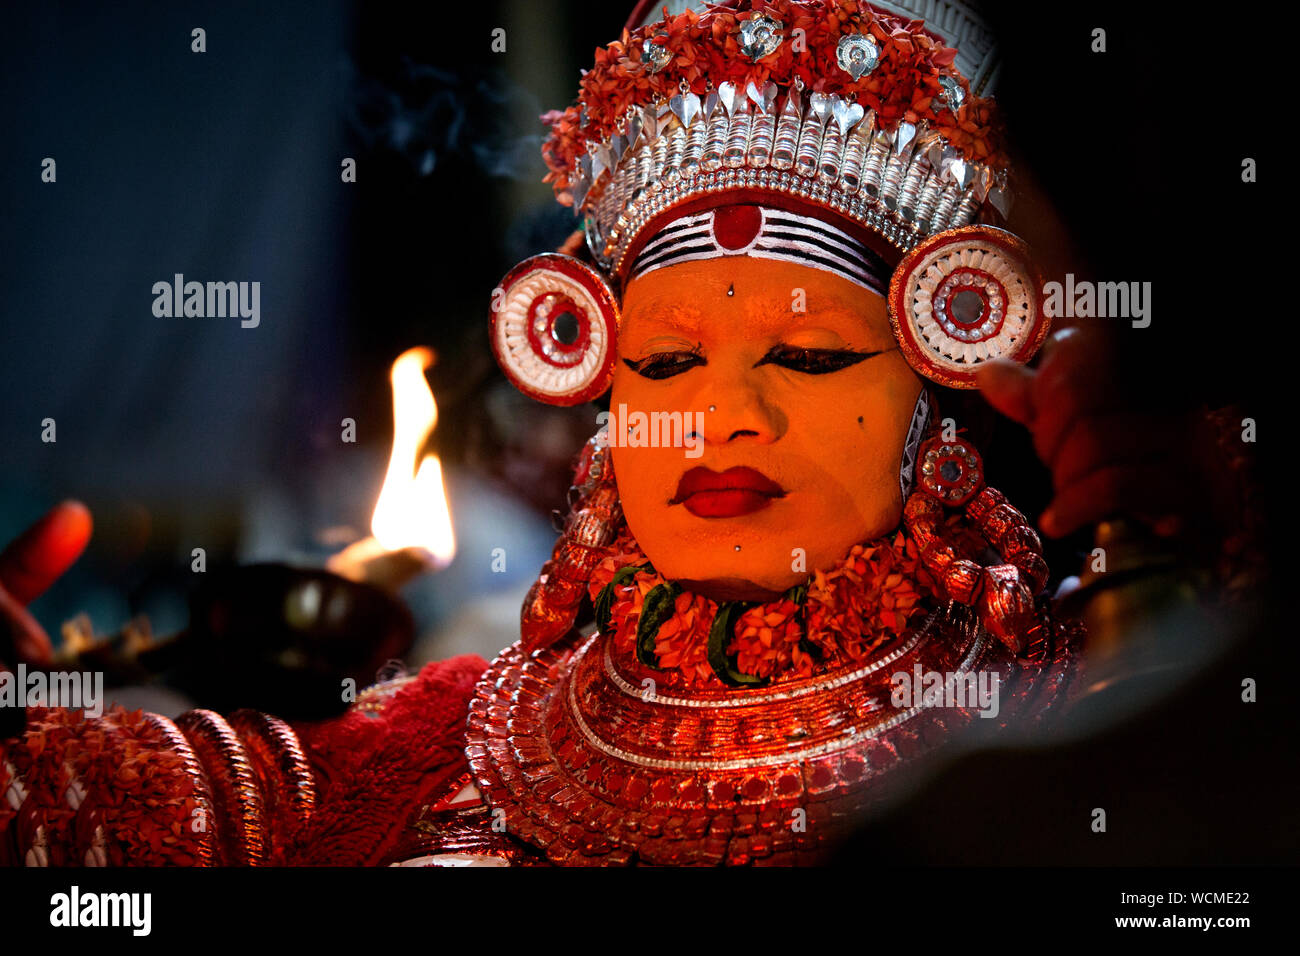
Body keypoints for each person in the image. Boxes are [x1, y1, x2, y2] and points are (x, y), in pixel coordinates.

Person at [0, 0, 1256, 866]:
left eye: (810, 354)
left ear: (937, 382)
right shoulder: (438, 742)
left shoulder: (1082, 704)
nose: (721, 415)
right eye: (662, 362)